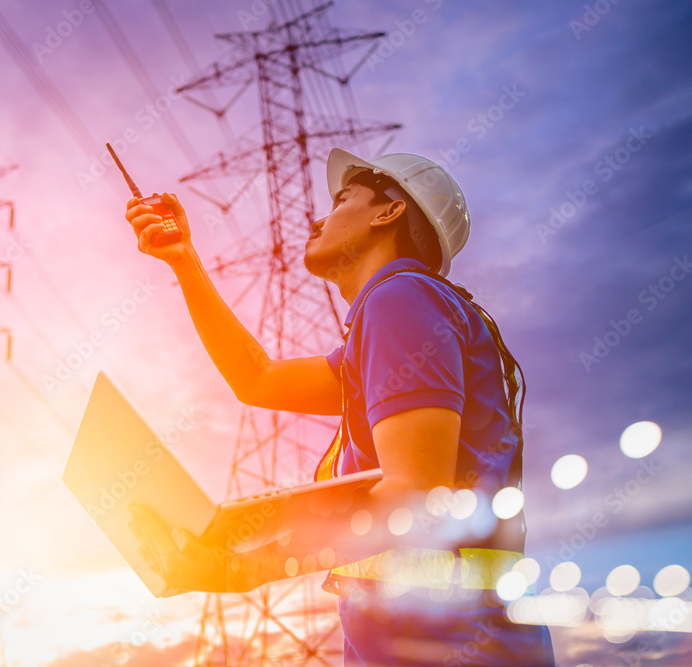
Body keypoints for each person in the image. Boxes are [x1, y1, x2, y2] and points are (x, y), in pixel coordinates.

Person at [124, 148, 555, 665]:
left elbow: (414, 497)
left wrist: (242, 565)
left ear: (389, 212)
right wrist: (183, 258)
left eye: (342, 199)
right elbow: (257, 379)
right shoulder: (402, 312)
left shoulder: (399, 299)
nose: (318, 217)